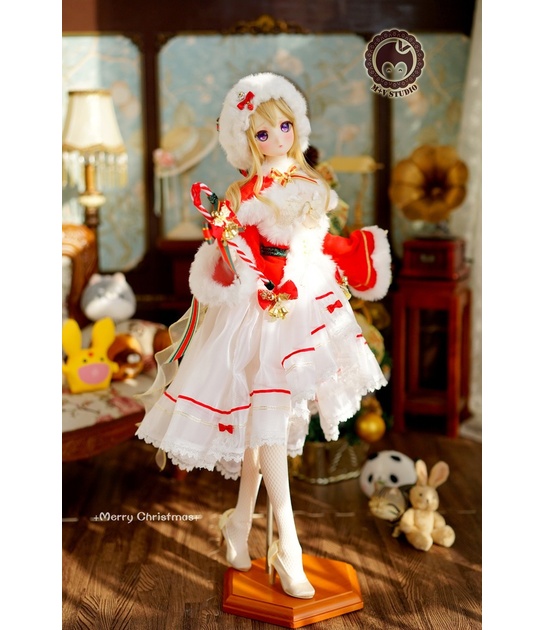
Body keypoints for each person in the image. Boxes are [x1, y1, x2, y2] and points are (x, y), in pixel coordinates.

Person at [136, 72, 391, 599]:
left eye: (284, 126)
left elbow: (317, 244)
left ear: (297, 126)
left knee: (266, 421)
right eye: (262, 132)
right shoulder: (243, 195)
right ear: (248, 141)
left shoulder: (312, 185)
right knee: (268, 421)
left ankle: (238, 524)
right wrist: (249, 269)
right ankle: (288, 546)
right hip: (261, 312)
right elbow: (236, 255)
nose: (277, 138)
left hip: (308, 303)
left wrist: (353, 262)